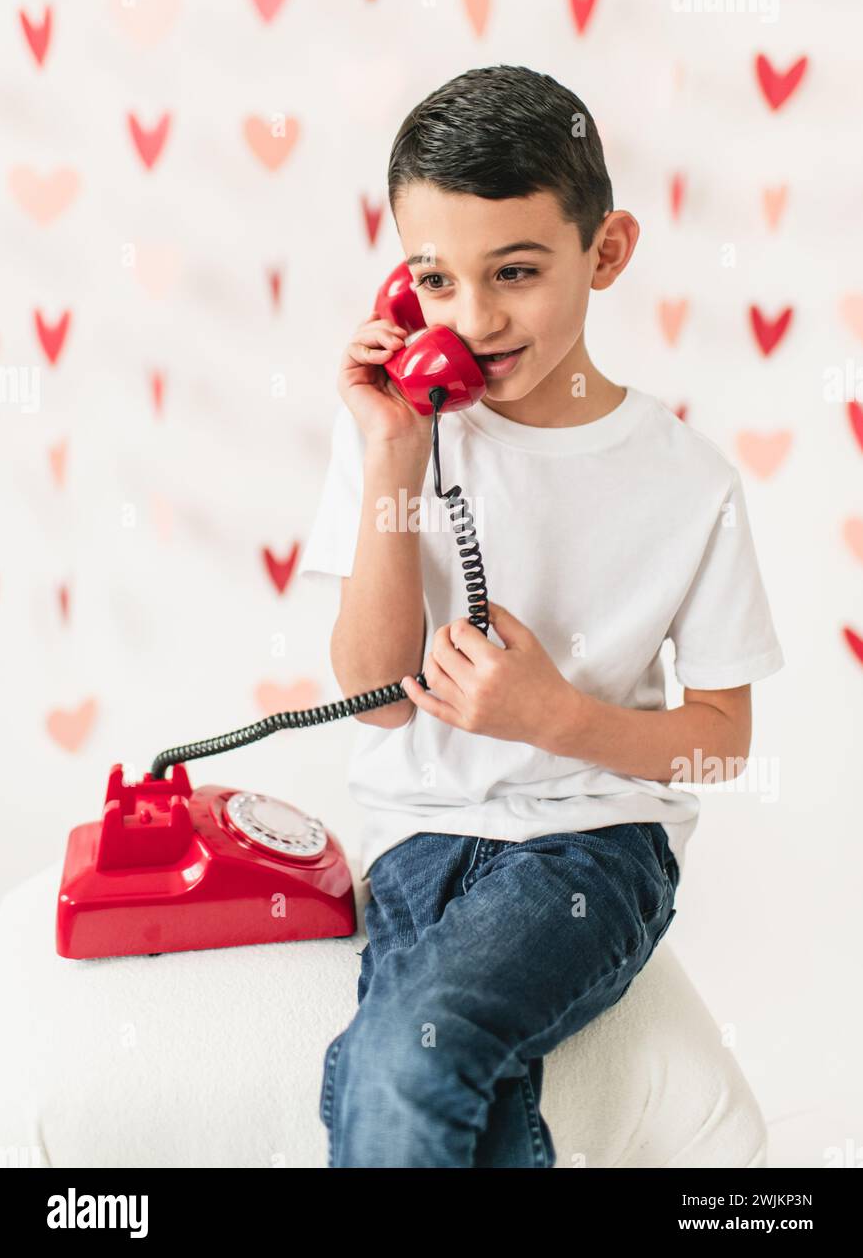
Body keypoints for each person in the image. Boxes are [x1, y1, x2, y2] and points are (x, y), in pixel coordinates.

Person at [297, 64, 785, 1168]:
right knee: (400, 1065)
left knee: (399, 1062)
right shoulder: (393, 432)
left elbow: (718, 746)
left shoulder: (685, 480)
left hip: (588, 850)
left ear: (604, 253)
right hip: (418, 842)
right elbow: (374, 695)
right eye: (433, 279)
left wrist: (552, 715)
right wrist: (391, 454)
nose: (470, 319)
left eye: (514, 272)